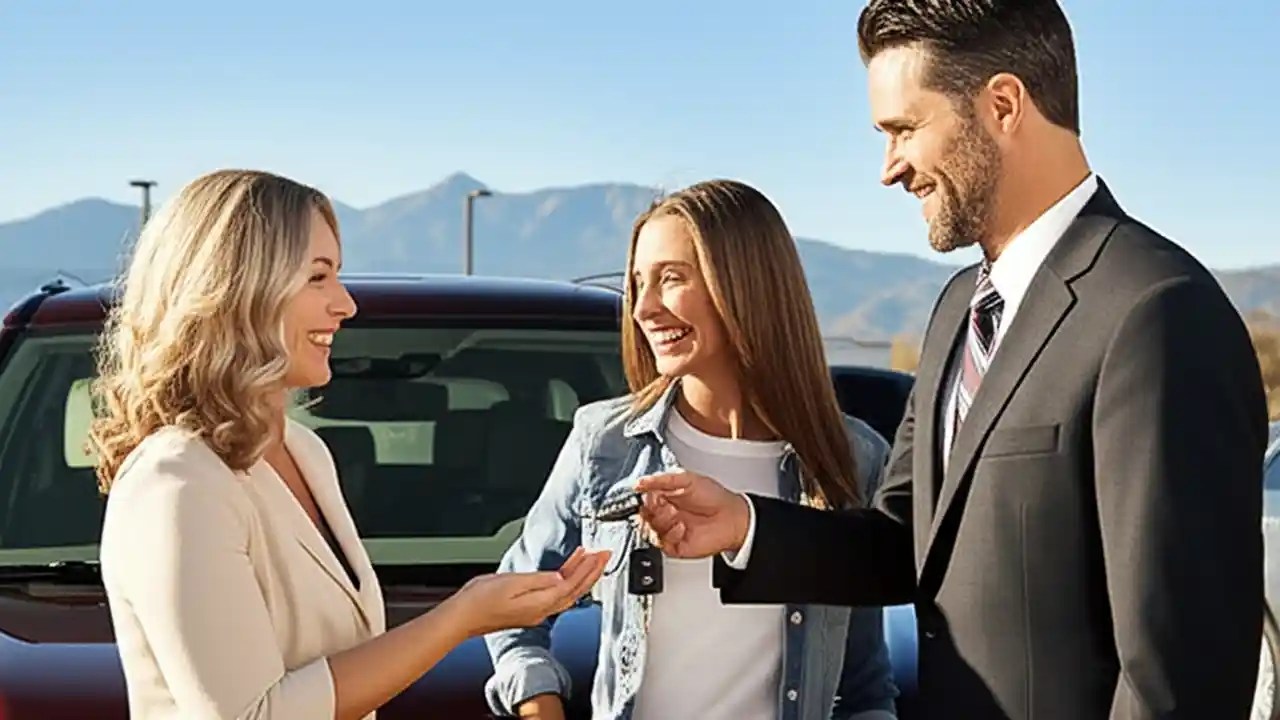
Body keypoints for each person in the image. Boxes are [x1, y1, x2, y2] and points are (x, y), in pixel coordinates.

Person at [637, 2, 1269, 719]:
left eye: (904, 129)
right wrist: (747, 526)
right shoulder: (955, 311)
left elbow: (1180, 676)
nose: (888, 168)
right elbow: (902, 542)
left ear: (1003, 104)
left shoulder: (1157, 313)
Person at [91, 169, 609, 720]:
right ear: (236, 292)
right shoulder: (176, 481)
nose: (346, 304)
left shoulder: (303, 451)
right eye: (318, 278)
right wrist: (459, 617)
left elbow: (334, 671)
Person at [483, 179, 899, 720]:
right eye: (638, 283)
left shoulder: (852, 459)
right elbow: (511, 609)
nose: (644, 309)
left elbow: (863, 685)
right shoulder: (604, 446)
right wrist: (540, 706)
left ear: (747, 285)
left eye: (672, 278)